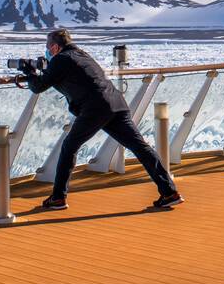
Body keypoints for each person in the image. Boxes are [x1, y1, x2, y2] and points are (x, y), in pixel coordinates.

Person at [23, 29, 182, 211]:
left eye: (47, 48)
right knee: (140, 147)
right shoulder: (82, 55)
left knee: (69, 147)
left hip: (95, 109)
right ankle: (169, 192)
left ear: (55, 47)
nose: (47, 52)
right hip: (116, 104)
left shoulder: (61, 59)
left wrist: (29, 72)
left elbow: (38, 87)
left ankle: (58, 198)